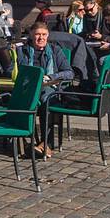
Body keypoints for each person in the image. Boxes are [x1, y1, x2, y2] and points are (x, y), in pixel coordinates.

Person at [16, 22, 75, 157]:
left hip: (48, 87)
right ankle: (23, 141)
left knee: (46, 100)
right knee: (20, 100)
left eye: (44, 35)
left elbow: (69, 73)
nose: (41, 38)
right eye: (37, 34)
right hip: (27, 87)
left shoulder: (55, 50)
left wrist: (51, 76)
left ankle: (46, 144)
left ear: (48, 36)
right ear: (31, 35)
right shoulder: (22, 51)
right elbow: (14, 70)